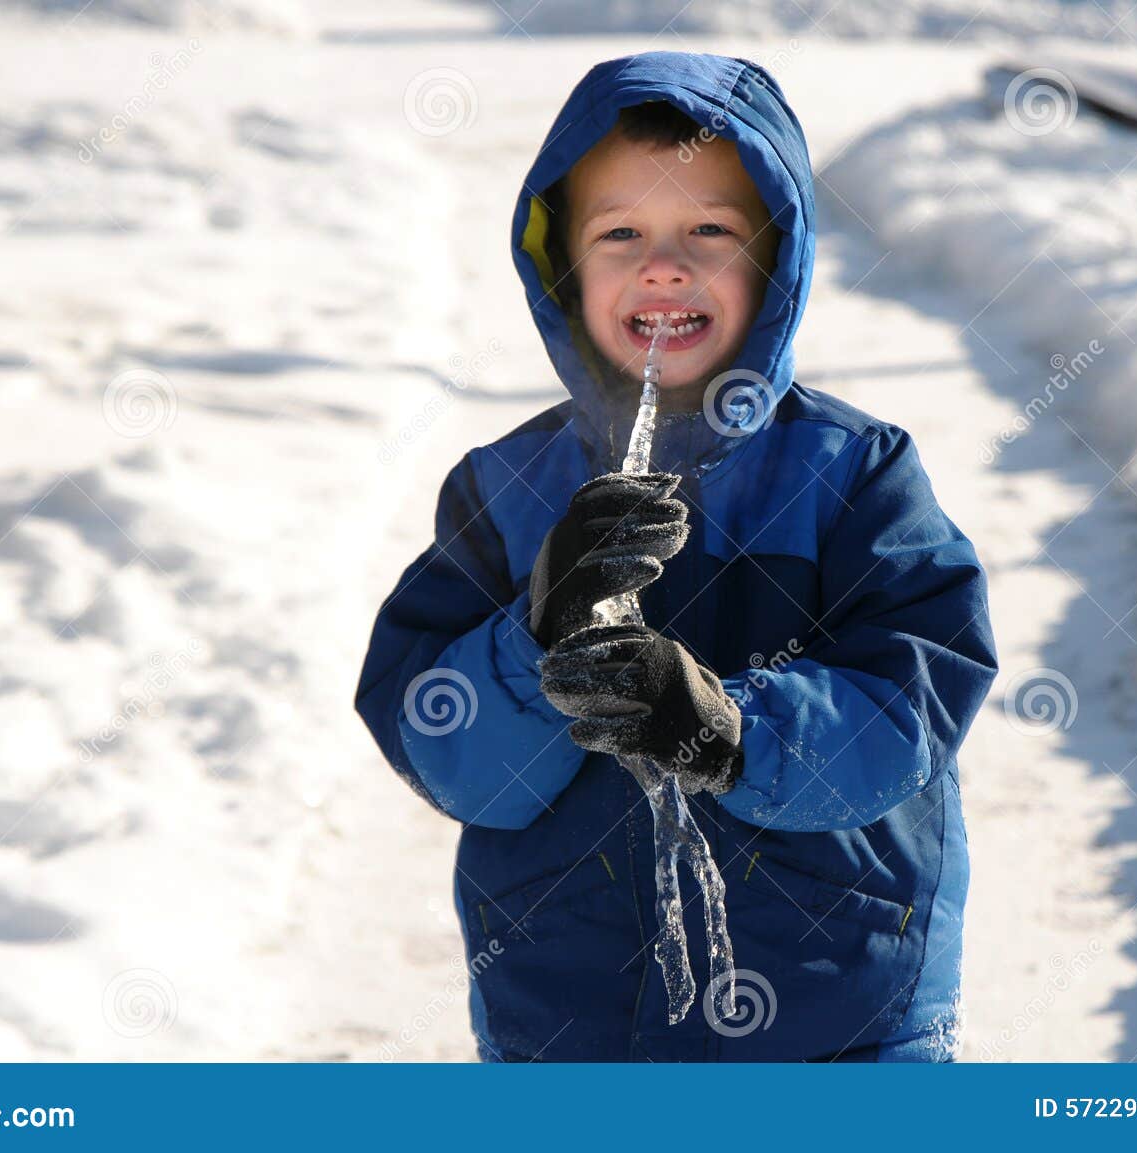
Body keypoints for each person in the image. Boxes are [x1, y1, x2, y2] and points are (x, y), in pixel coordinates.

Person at [356, 51, 997, 1061]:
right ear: (559, 264)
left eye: (710, 231)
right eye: (620, 235)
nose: (665, 266)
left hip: (840, 1010)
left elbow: (913, 699)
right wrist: (538, 635)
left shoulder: (855, 473)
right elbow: (448, 752)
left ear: (777, 258)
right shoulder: (506, 489)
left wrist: (730, 730)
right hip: (571, 1018)